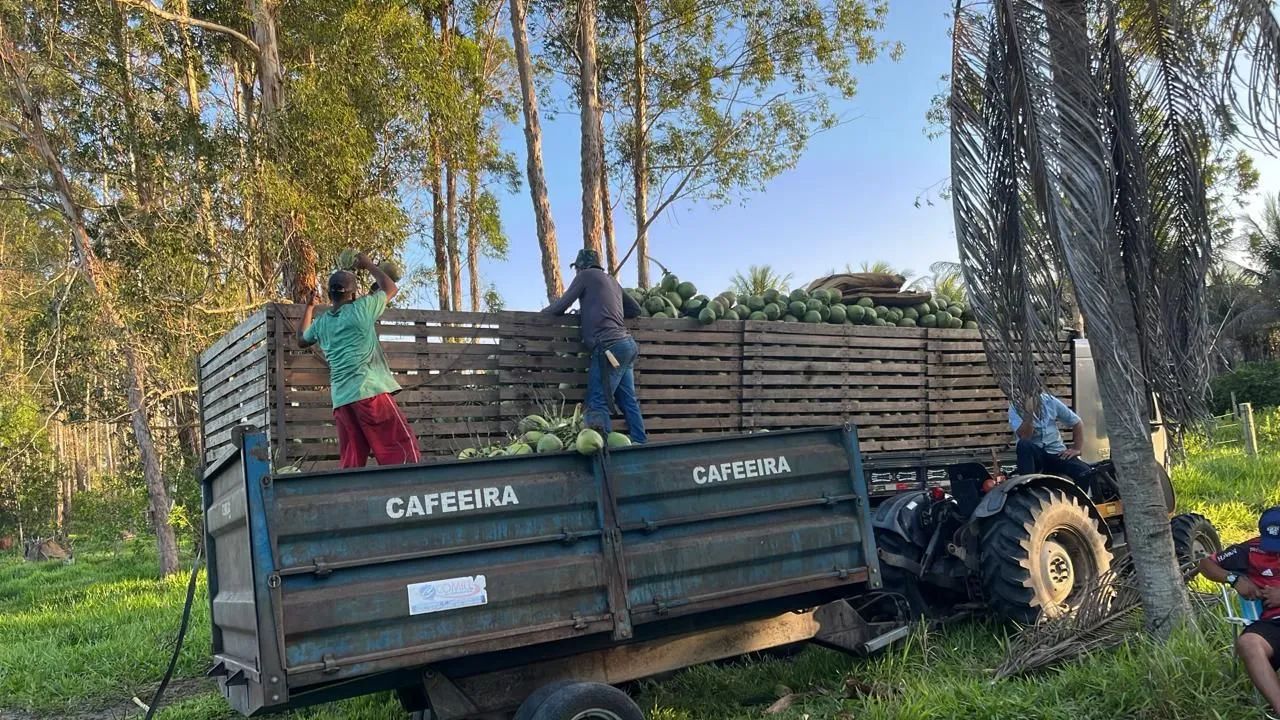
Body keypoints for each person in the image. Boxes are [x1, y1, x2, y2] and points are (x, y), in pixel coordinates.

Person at [298, 252, 420, 468]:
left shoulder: (323, 323)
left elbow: (301, 339)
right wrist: (368, 264)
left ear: (330, 295)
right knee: (401, 450)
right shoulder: (362, 309)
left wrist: (310, 307)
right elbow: (390, 288)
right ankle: (412, 489)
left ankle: (350, 499)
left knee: (352, 461)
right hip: (369, 392)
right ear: (353, 296)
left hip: (342, 401)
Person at [543, 248, 646, 443]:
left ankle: (602, 453)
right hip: (626, 345)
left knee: (596, 402)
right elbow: (636, 309)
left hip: (608, 347)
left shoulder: (586, 276)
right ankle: (640, 444)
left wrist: (541, 314)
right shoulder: (612, 281)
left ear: (580, 267)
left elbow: (561, 306)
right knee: (628, 400)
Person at [1199, 507, 1280, 719]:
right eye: (1272, 545)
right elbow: (1206, 564)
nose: (1275, 552)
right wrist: (1233, 579)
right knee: (1248, 643)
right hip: (1273, 622)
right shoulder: (1252, 549)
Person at [1007, 392, 1091, 483]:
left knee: (1085, 471)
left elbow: (1077, 422)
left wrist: (1076, 449)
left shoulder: (1050, 401)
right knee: (1023, 444)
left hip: (1056, 453)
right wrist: (1029, 413)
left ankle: (1079, 497)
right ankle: (1027, 487)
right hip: (1036, 456)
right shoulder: (1015, 407)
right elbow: (1025, 436)